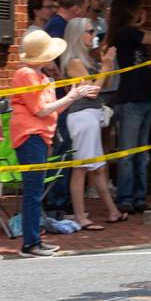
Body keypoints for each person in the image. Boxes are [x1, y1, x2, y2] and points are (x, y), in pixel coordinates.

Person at [10, 31, 101, 256]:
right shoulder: (26, 74)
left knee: (36, 190)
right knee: (33, 191)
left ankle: (35, 240)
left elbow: (53, 109)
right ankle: (30, 244)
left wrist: (73, 95)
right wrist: (72, 97)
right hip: (30, 135)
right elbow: (41, 110)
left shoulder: (41, 77)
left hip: (40, 135)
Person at [58, 17, 126, 230]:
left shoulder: (85, 58)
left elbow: (104, 84)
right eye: (89, 32)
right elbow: (92, 91)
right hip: (82, 116)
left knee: (97, 166)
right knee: (81, 167)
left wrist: (106, 64)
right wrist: (106, 66)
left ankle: (112, 211)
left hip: (91, 115)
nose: (93, 36)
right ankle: (80, 216)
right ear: (78, 34)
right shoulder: (75, 62)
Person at [104, 0, 151, 214]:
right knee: (128, 152)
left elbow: (145, 66)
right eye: (138, 9)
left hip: (144, 98)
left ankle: (139, 196)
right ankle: (126, 196)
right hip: (129, 100)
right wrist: (141, 24)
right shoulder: (125, 33)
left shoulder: (131, 34)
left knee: (142, 153)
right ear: (131, 11)